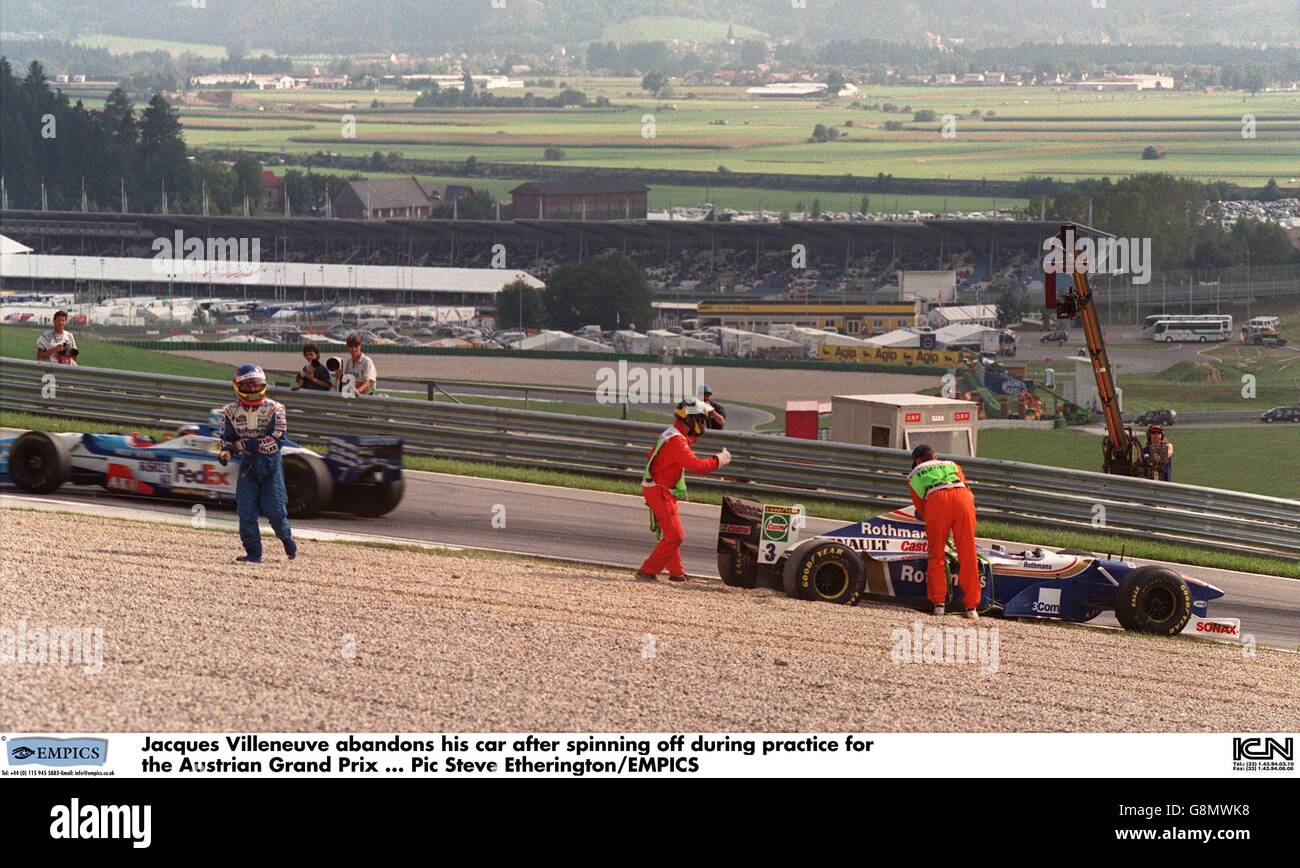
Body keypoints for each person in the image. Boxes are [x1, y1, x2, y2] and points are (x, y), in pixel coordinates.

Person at [636, 398, 732, 583]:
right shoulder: (677, 442)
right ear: (690, 419)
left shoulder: (673, 435)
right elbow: (697, 465)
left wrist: (710, 412)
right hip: (659, 490)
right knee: (675, 535)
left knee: (670, 533)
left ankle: (676, 572)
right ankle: (647, 571)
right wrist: (719, 459)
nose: (702, 425)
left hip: (659, 489)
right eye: (701, 420)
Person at [219, 364, 298, 564]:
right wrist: (226, 452)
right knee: (245, 512)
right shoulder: (229, 411)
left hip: (271, 466)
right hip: (249, 466)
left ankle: (287, 538)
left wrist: (247, 444)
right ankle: (254, 553)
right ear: (237, 386)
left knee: (276, 512)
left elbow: (278, 441)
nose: (253, 389)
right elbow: (227, 439)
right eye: (248, 385)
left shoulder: (276, 408)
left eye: (257, 385)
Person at [907, 444, 980, 619]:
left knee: (936, 553)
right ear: (934, 456)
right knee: (968, 553)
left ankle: (939, 604)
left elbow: (922, 509)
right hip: (962, 498)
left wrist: (939, 523)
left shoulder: (914, 475)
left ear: (917, 461)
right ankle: (971, 607)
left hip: (937, 500)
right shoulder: (951, 464)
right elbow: (966, 486)